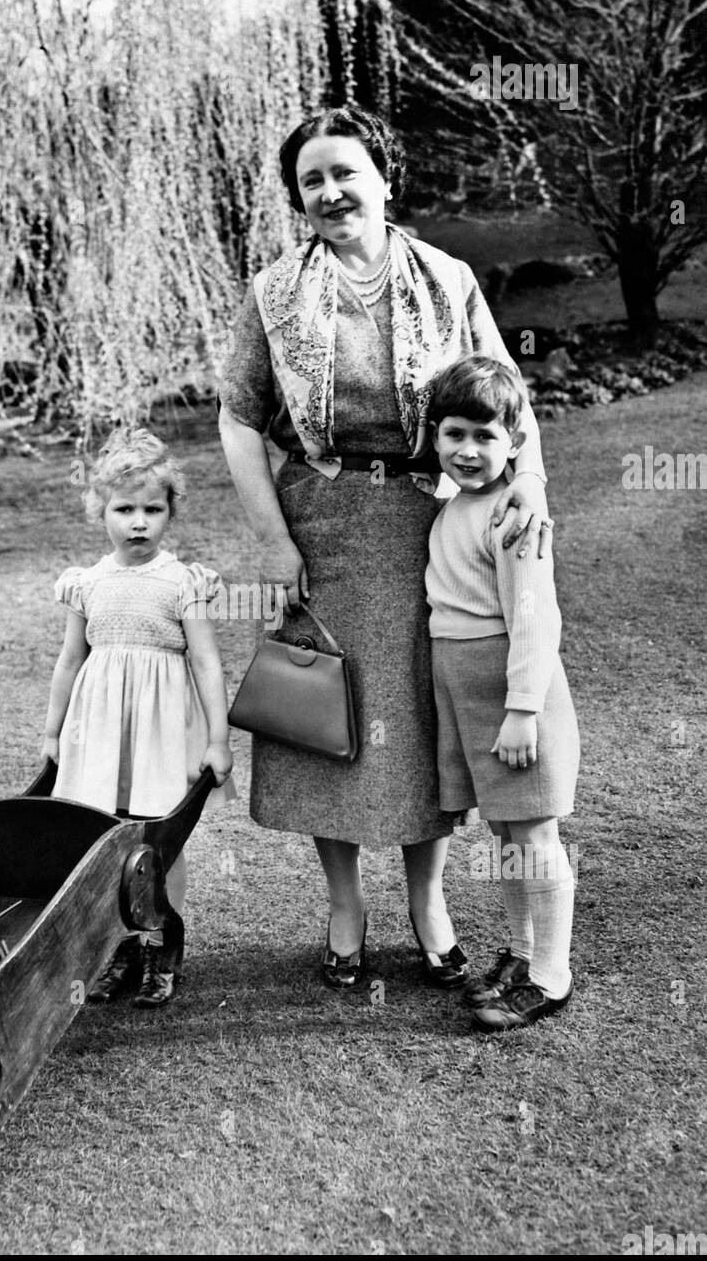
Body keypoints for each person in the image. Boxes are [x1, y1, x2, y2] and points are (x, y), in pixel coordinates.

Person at [218, 103, 552, 991]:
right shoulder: (275, 292)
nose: (331, 192)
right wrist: (272, 538)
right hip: (319, 529)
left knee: (413, 721)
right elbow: (239, 417)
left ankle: (429, 902)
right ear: (299, 198)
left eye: (344, 172)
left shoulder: (446, 277)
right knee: (323, 715)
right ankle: (343, 906)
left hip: (425, 526)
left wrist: (529, 492)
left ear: (382, 177)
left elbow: (506, 398)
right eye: (312, 181)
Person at [41, 428, 235, 1007]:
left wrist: (219, 739)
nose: (139, 522)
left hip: (162, 731)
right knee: (106, 838)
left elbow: (206, 663)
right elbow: (71, 660)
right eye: (124, 509)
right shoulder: (87, 584)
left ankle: (159, 942)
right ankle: (117, 944)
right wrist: (54, 732)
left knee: (158, 838)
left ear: (170, 512)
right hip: (101, 730)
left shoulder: (184, 582)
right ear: (100, 510)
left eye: (153, 509)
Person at [425, 356, 579, 1029]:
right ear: (436, 437)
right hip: (466, 691)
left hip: (515, 698)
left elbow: (535, 619)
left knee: (535, 835)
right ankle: (521, 953)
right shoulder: (455, 506)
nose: (468, 450)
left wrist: (522, 711)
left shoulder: (517, 518)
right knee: (508, 836)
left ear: (515, 443)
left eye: (486, 437)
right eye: (455, 433)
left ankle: (551, 976)